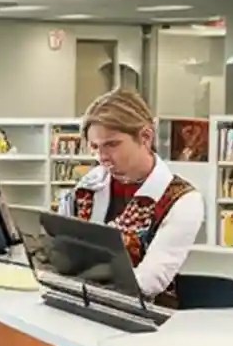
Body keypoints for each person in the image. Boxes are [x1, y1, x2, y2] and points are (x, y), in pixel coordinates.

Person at [57, 89, 203, 300]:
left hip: (141, 318)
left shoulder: (183, 200)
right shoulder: (86, 187)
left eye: (111, 145)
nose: (102, 157)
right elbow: (58, 251)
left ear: (145, 137)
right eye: (95, 147)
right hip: (80, 303)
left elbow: (148, 282)